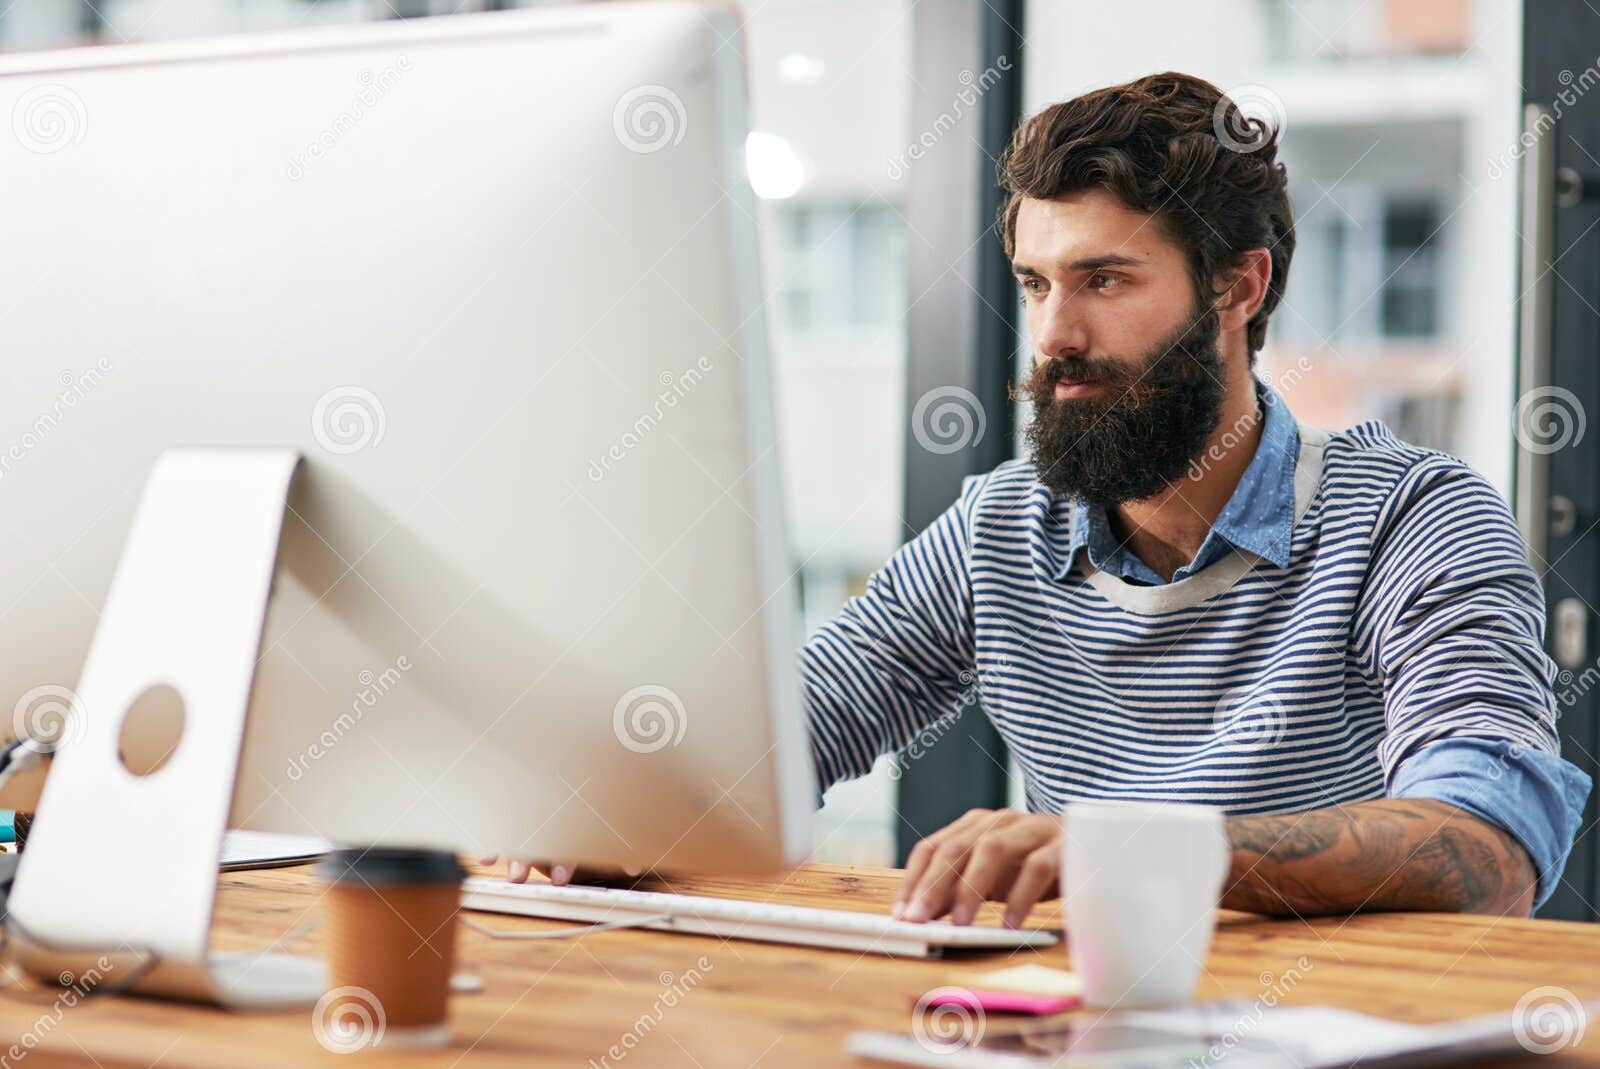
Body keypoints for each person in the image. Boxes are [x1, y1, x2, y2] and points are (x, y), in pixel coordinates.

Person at [504, 72, 1590, 927]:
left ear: (1238, 287)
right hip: (1084, 1039)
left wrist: (1151, 853)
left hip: (1352, 1054)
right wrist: (626, 812)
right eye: (1035, 283)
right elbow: (785, 736)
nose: (1054, 336)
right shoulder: (999, 529)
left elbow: (1488, 846)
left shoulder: (1411, 517)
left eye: (1104, 281)